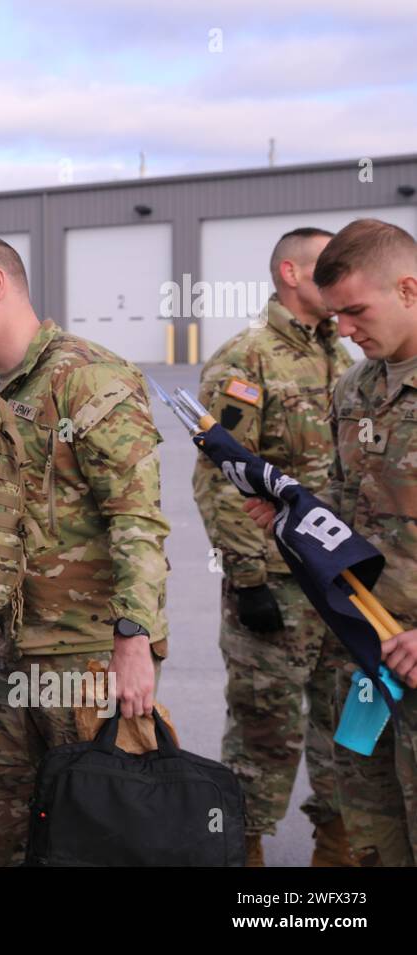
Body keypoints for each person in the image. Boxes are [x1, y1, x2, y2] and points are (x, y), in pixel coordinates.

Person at [0, 232, 170, 866]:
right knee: (4, 833)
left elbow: (137, 519)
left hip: (89, 658)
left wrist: (135, 637)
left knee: (100, 835)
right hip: (13, 656)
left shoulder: (87, 376)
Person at [247, 218, 417, 867]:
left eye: (355, 311)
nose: (343, 329)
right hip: (368, 660)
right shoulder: (356, 390)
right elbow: (349, 517)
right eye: (336, 314)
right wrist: (292, 518)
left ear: (408, 288)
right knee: (373, 836)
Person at [193, 227, 356, 866]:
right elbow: (220, 474)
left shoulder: (344, 358)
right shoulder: (247, 360)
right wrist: (249, 577)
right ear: (290, 272)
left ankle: (337, 871)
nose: (340, 275)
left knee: (349, 735)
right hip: (277, 587)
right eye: (326, 265)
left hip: (342, 586)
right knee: (263, 735)